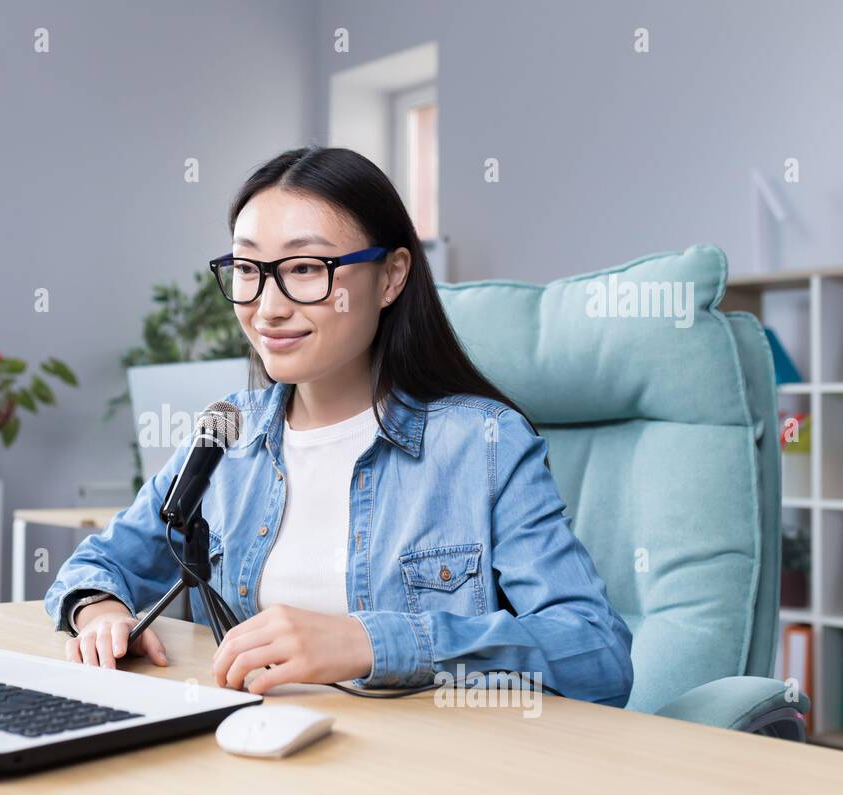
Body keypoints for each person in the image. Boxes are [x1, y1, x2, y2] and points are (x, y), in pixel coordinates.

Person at [43, 145, 633, 705]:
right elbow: (102, 563)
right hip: (244, 759)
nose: (267, 307)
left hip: (421, 781)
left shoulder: (483, 444)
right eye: (248, 268)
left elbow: (597, 654)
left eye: (305, 267)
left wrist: (371, 643)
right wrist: (99, 612)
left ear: (392, 276)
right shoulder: (227, 432)